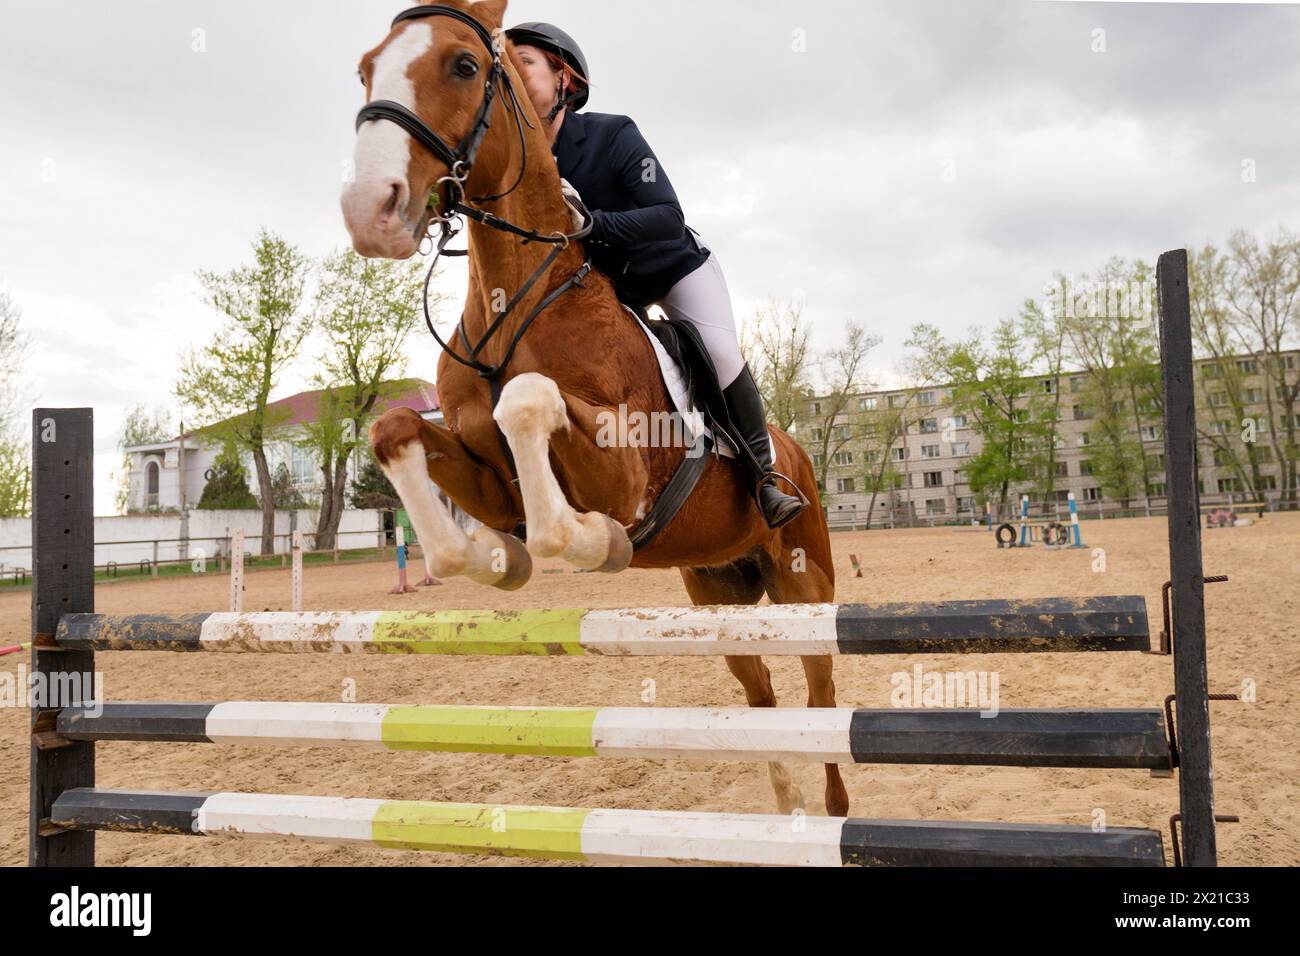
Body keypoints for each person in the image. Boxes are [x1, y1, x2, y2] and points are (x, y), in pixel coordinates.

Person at [505, 21, 806, 530]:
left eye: (524, 62)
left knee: (719, 353)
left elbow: (666, 214)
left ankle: (765, 479)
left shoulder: (612, 133)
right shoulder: (517, 159)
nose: (512, 72)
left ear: (564, 78)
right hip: (608, 288)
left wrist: (592, 224)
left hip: (673, 268)